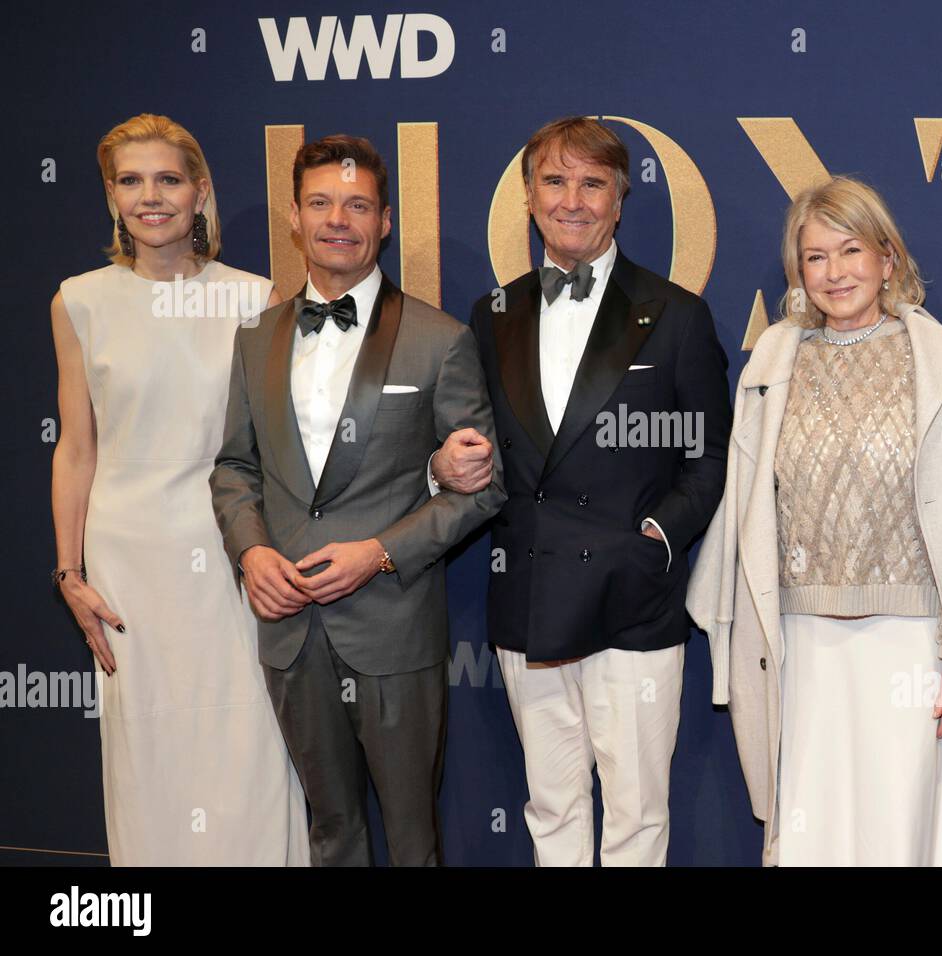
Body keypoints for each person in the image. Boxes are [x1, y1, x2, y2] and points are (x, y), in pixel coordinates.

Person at [434, 116, 730, 866]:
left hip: (631, 600)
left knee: (636, 816)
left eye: (592, 182)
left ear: (621, 199)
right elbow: (480, 448)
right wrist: (444, 468)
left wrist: (655, 538)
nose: (573, 200)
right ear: (528, 197)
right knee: (552, 807)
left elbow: (709, 456)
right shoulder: (492, 314)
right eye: (555, 181)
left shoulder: (675, 315)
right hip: (529, 594)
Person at [687, 176, 942, 866]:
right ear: (797, 271)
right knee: (810, 836)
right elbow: (748, 515)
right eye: (815, 257)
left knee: (900, 837)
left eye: (851, 250)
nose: (834, 273)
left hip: (914, 647)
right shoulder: (771, 366)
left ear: (888, 259)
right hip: (800, 644)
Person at [210, 134, 505, 866]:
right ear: (294, 216)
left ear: (385, 221)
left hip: (392, 627)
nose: (338, 219)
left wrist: (378, 554)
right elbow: (234, 468)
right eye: (320, 202)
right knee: (330, 833)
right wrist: (250, 552)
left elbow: (483, 489)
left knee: (411, 841)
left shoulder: (441, 340)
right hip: (290, 630)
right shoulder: (255, 337)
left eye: (357, 204)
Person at [50, 113, 309, 865]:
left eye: (168, 179)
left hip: (231, 554)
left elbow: (271, 451)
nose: (149, 197)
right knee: (150, 753)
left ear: (200, 194)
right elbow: (76, 448)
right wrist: (70, 572)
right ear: (110, 197)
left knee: (248, 743)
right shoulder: (79, 302)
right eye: (130, 181)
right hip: (127, 562)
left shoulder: (254, 299)